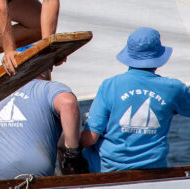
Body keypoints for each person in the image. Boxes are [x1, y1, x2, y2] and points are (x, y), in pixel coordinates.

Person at [80, 27, 190, 172]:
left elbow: (90, 139)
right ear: (158, 56)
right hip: (154, 170)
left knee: (70, 148)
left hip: (109, 171)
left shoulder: (110, 85)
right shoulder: (174, 88)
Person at [0, 59, 86, 181]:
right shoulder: (49, 87)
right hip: (23, 170)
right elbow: (68, 103)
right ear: (42, 71)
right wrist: (72, 152)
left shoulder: (1, 90)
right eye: (50, 68)